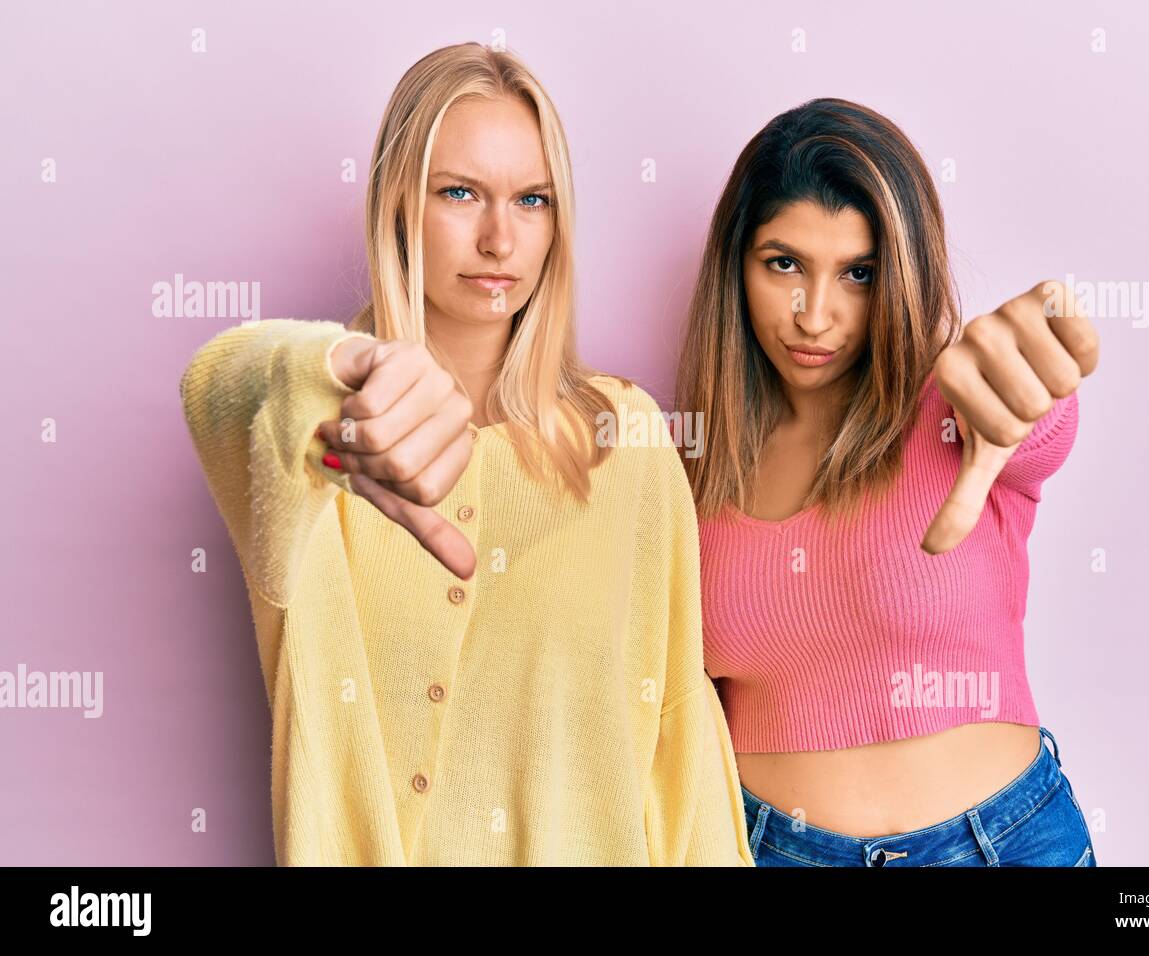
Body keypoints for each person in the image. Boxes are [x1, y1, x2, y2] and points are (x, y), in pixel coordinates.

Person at [179, 42, 752, 866]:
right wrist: (343, 369)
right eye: (460, 193)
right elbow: (218, 386)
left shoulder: (624, 443)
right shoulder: (315, 443)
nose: (499, 239)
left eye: (532, 200)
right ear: (399, 206)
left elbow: (683, 750)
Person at [675, 97, 1100, 866]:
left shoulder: (955, 408)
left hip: (1000, 845)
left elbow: (1033, 419)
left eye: (859, 273)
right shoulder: (692, 467)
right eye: (784, 264)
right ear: (735, 266)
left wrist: (1034, 367)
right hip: (771, 850)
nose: (816, 315)